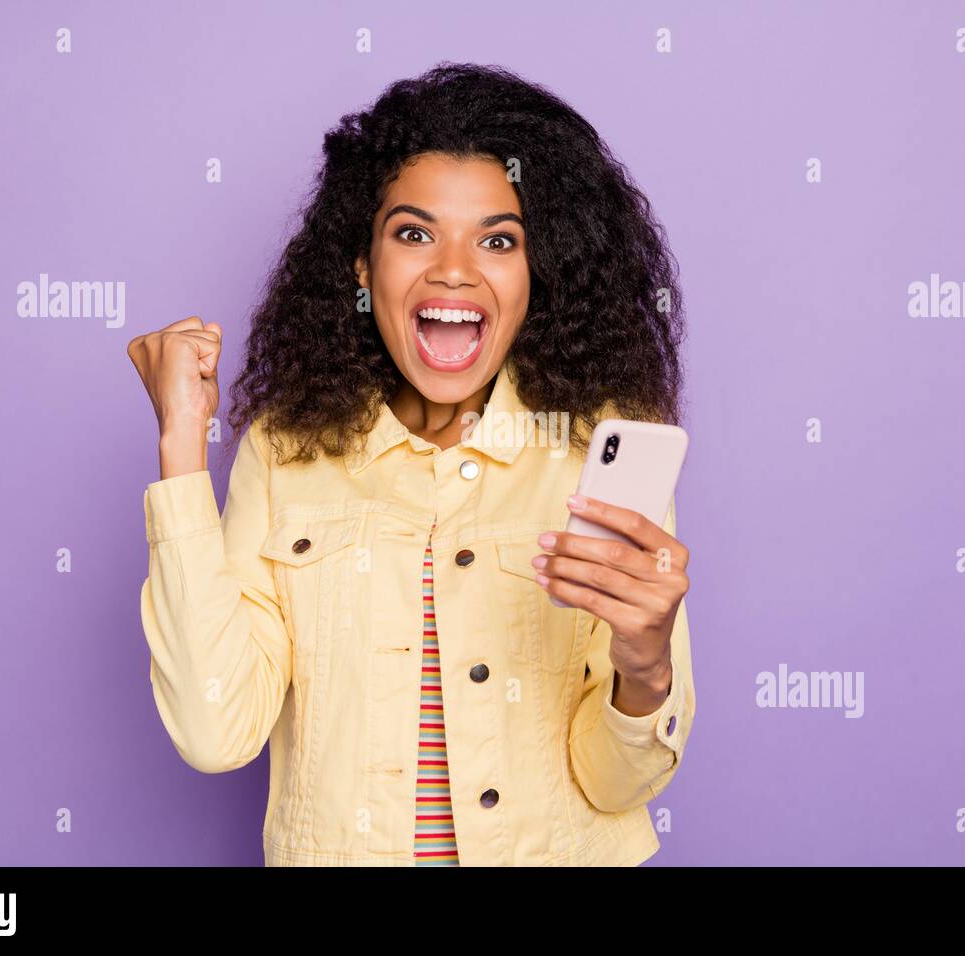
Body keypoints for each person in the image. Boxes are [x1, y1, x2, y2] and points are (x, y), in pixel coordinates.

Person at [127, 62, 695, 866]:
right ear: (363, 269)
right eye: (414, 233)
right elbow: (215, 732)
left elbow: (613, 787)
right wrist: (182, 444)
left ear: (538, 278)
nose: (454, 269)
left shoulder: (599, 455)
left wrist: (646, 673)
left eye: (499, 240)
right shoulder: (284, 451)